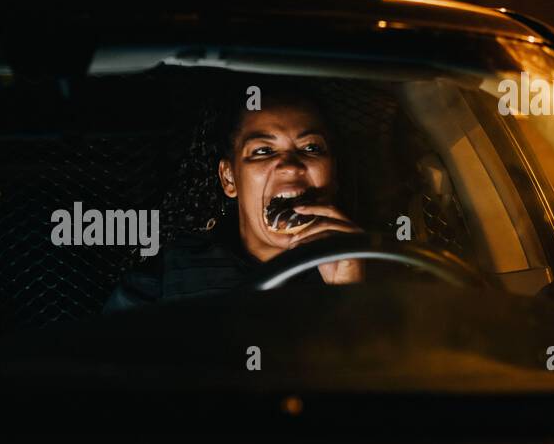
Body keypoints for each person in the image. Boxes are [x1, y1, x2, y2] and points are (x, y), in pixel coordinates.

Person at [105, 84, 363, 312]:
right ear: (229, 178)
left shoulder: (377, 268)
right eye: (263, 151)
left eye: (311, 148)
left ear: (334, 173)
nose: (291, 167)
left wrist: (349, 296)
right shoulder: (164, 280)